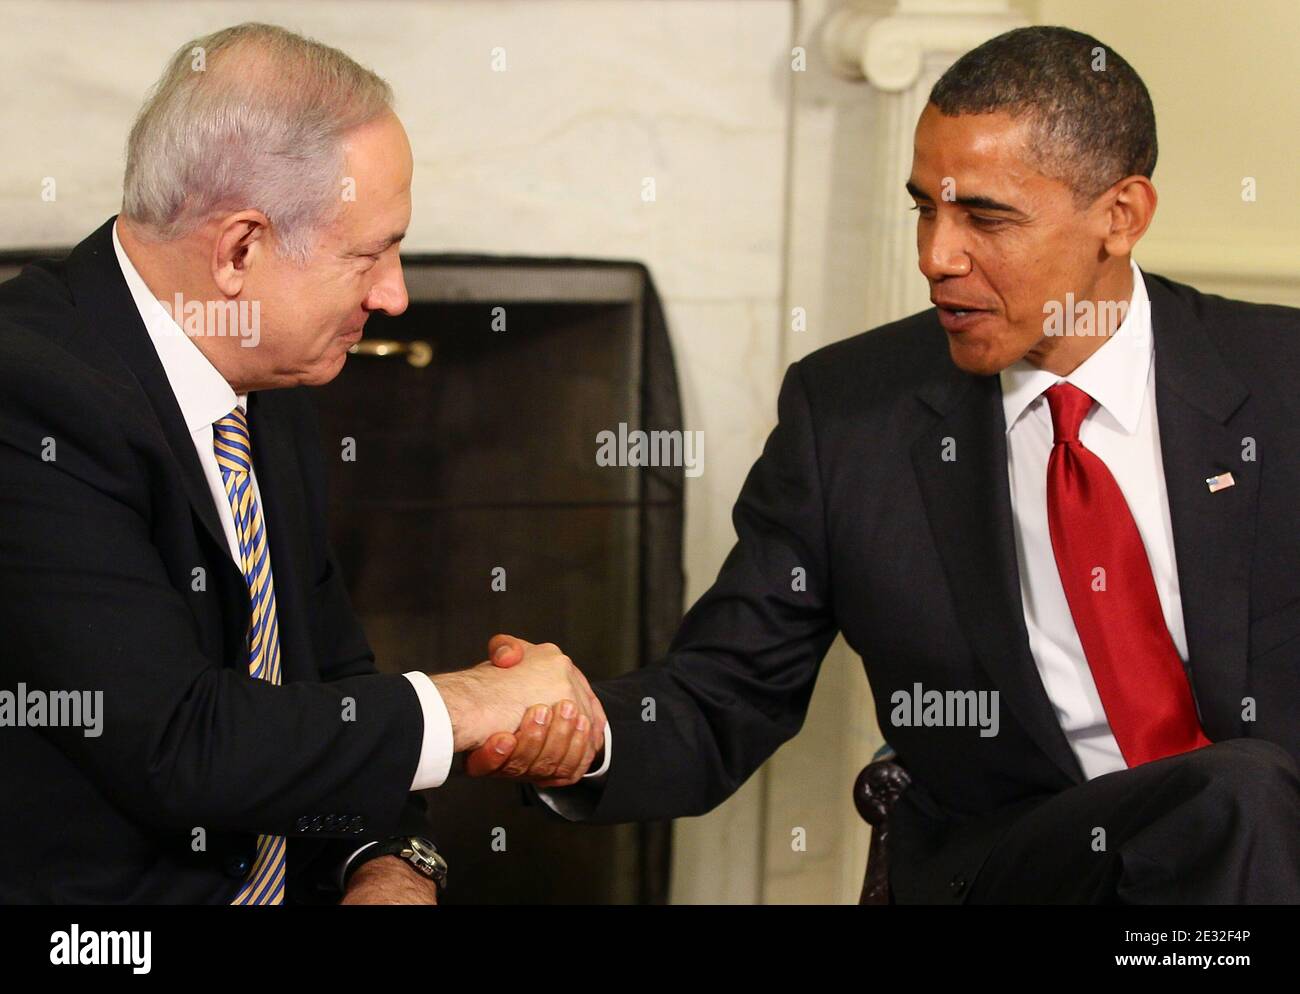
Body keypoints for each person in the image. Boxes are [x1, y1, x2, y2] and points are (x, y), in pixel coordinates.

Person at [477, 26, 1300, 903]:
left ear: (1120, 215)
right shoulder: (851, 414)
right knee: (1237, 795)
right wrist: (582, 735)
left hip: (1266, 856)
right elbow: (726, 690)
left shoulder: (1278, 380)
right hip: (1019, 869)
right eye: (924, 208)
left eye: (985, 216)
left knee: (1244, 799)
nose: (935, 257)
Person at [0, 22, 603, 905]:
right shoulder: (28, 394)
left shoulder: (263, 376)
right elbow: (181, 744)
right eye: (370, 253)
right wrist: (469, 703)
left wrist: (390, 865)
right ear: (240, 249)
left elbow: (329, 687)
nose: (394, 293)